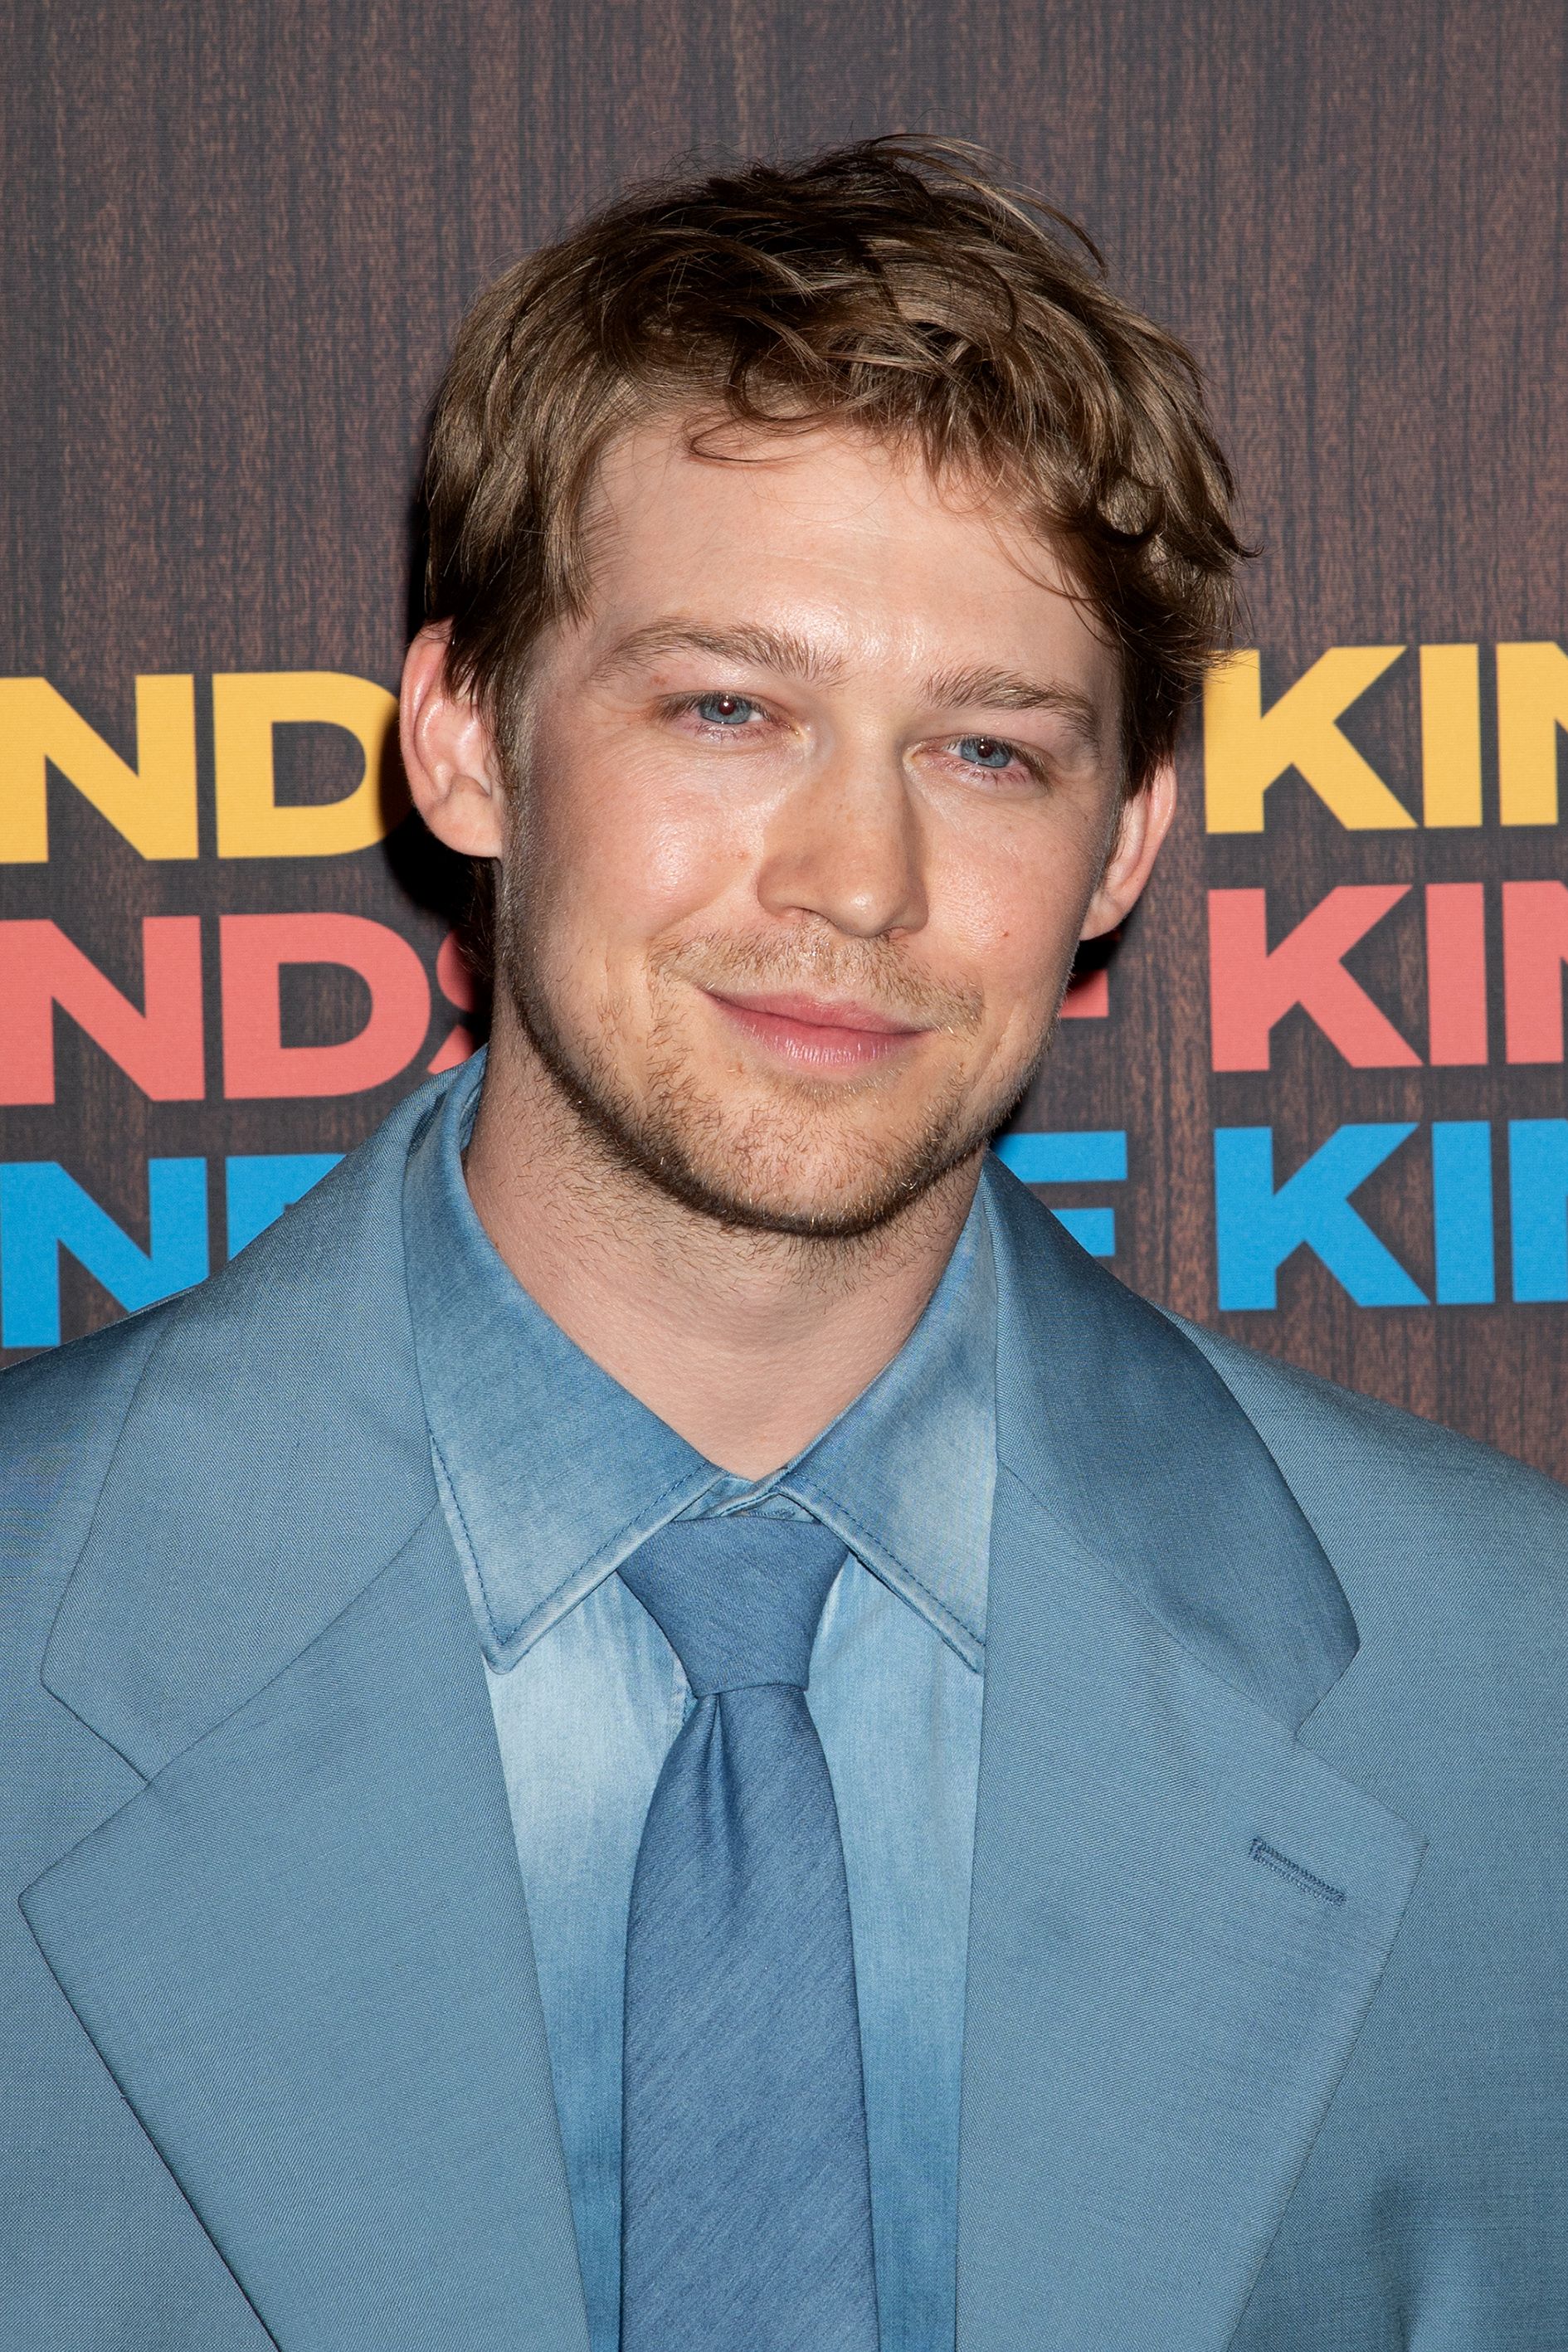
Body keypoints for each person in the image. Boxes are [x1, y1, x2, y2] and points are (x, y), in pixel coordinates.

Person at [3, 136, 1564, 2352]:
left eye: (990, 751)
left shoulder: (1512, 1698)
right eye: (727, 707)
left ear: (1123, 841)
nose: (856, 871)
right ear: (461, 736)